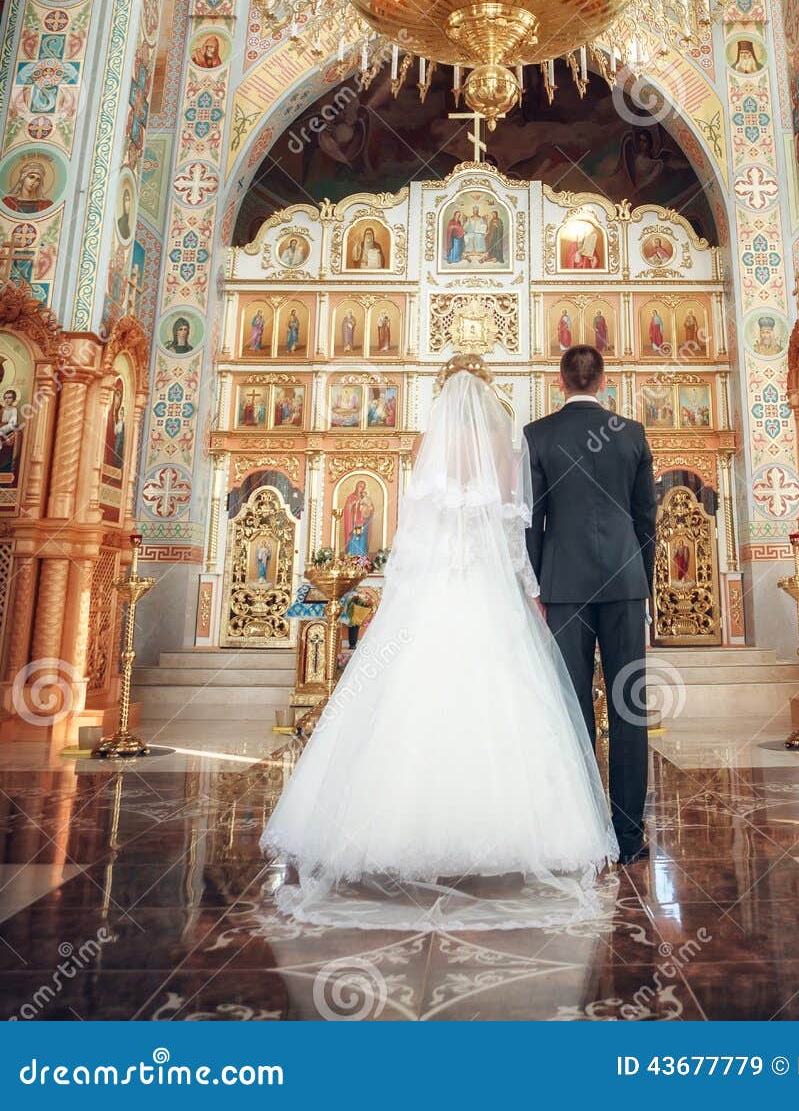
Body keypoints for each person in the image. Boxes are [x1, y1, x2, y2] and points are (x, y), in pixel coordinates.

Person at [262, 355, 616, 929]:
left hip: (429, 595)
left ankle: (389, 833)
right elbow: (513, 531)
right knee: (509, 704)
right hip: (489, 591)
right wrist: (530, 590)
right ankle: (511, 835)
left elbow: (414, 536)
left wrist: (394, 599)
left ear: (444, 398)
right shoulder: (508, 450)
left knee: (407, 703)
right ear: (486, 397)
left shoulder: (431, 448)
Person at [524, 344, 657, 866]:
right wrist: (639, 581)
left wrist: (535, 587)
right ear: (603, 383)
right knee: (629, 707)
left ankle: (580, 834)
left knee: (572, 709)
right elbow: (647, 520)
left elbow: (533, 521)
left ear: (561, 383)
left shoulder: (538, 436)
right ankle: (628, 838)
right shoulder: (633, 434)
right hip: (625, 584)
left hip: (564, 589)